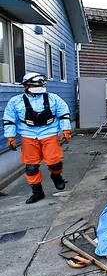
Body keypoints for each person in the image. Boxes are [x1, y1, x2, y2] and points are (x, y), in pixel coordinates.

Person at [2, 73, 72, 204]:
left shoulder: (53, 98)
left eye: (40, 85)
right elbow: (9, 119)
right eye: (35, 85)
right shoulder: (15, 101)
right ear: (26, 85)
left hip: (49, 134)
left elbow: (64, 113)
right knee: (31, 167)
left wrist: (66, 130)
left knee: (55, 162)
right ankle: (37, 192)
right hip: (28, 136)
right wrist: (10, 137)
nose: (38, 88)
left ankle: (56, 176)